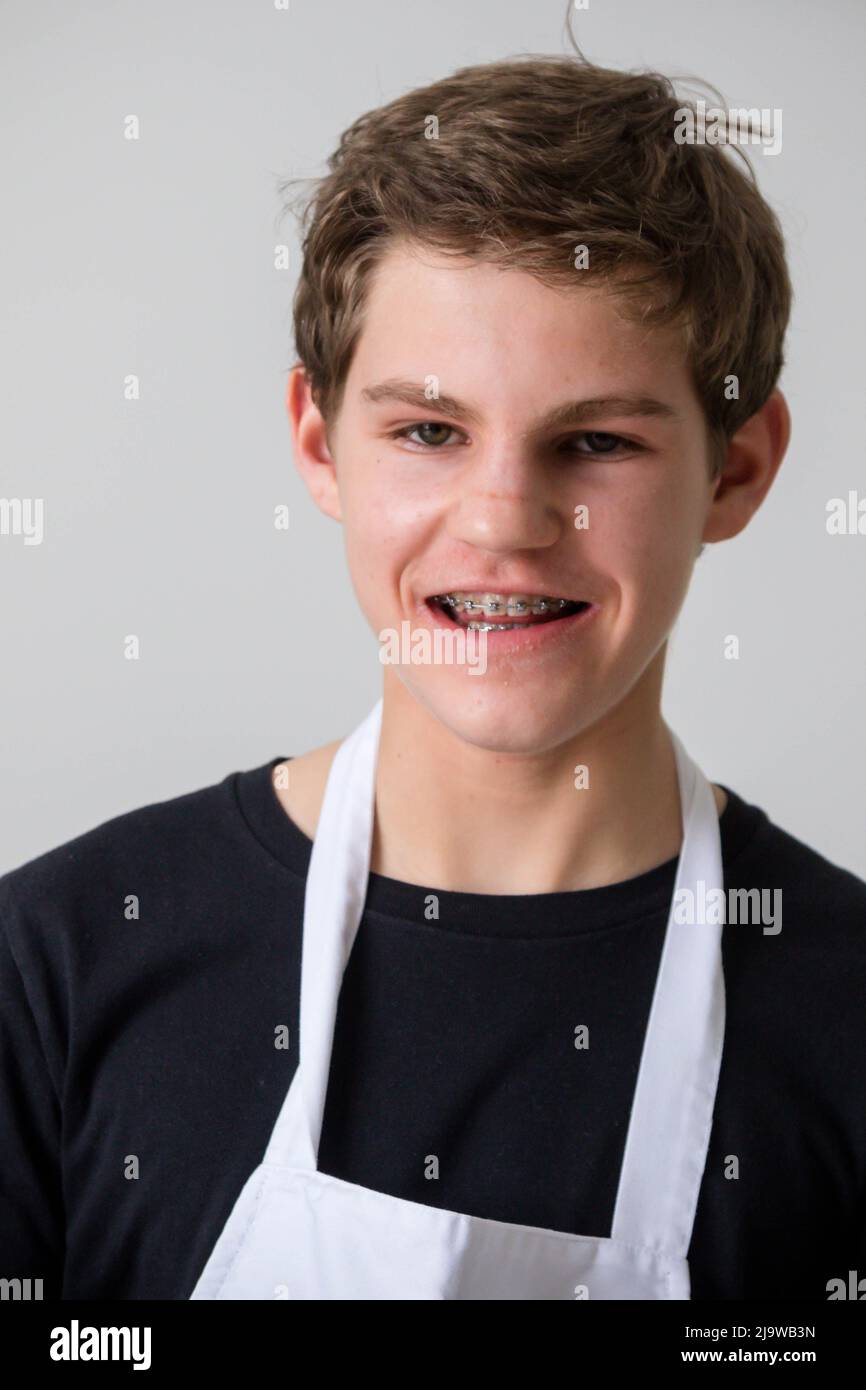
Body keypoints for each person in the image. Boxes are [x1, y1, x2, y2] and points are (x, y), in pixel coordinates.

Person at [2, 53, 864, 1302]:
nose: (505, 520)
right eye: (427, 430)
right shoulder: (61, 970)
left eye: (595, 441)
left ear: (734, 470)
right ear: (320, 443)